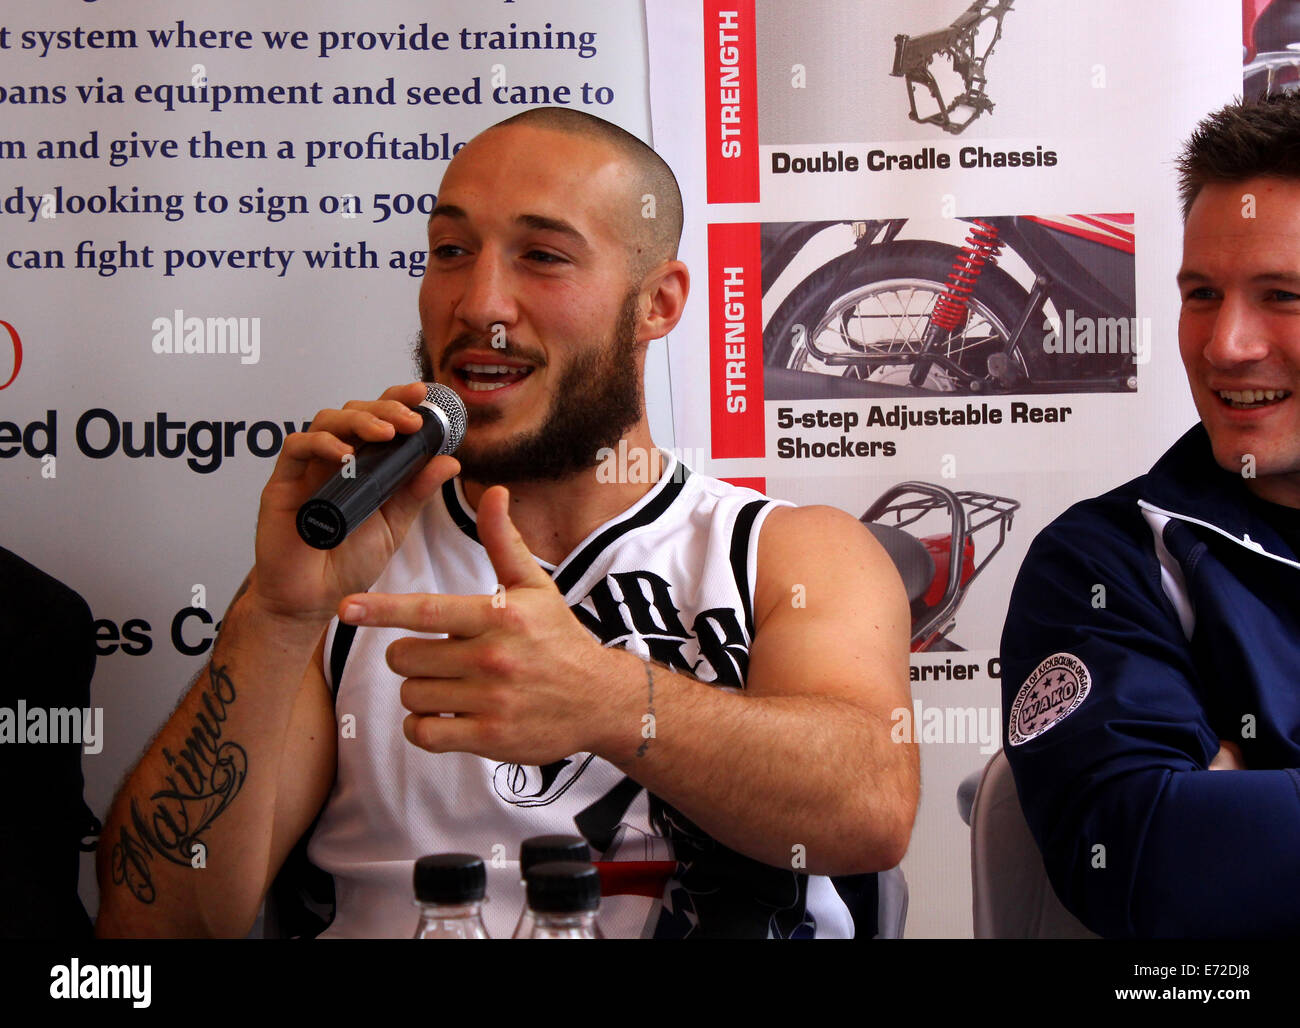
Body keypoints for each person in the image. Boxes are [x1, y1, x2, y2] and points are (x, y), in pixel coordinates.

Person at [95, 108, 918, 939]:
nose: (480, 303)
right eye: (451, 252)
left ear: (657, 304)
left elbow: (869, 809)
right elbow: (155, 924)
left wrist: (606, 701)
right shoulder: (343, 568)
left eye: (543, 257)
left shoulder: (786, 551)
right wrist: (276, 617)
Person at [1000, 92, 1300, 938]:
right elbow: (1154, 861)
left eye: (1282, 295)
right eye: (1202, 292)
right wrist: (1211, 823)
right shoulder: (1104, 563)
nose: (1225, 345)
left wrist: (1256, 780)